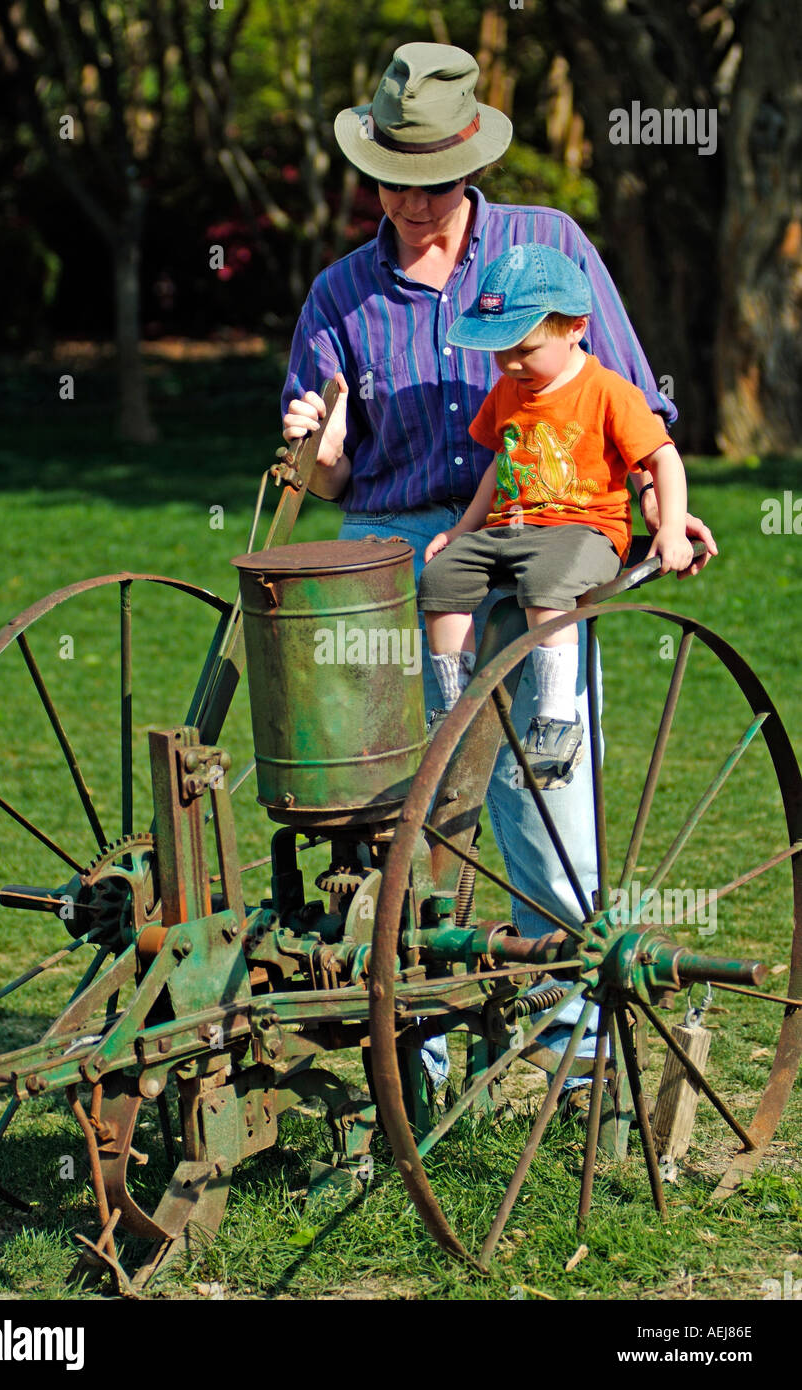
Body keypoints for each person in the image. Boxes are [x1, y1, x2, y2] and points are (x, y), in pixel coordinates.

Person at [281, 42, 716, 1089]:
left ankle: (568, 1038)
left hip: (540, 526)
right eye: (395, 178)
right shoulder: (341, 294)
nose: (415, 201)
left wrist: (665, 511)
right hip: (392, 552)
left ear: (469, 162)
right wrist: (317, 453)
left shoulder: (544, 246)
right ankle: (412, 1047)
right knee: (393, 804)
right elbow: (325, 475)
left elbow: (628, 401)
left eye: (434, 181)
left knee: (541, 785)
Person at [419, 243, 694, 787]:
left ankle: (555, 720)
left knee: (547, 582)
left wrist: (669, 528)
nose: (512, 362)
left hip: (584, 531)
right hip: (507, 529)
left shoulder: (608, 392)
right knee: (440, 578)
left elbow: (664, 457)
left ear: (576, 327)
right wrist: (461, 530)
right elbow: (498, 465)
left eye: (525, 348)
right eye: (500, 351)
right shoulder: (508, 390)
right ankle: (457, 712)